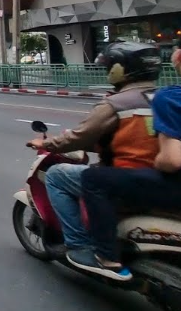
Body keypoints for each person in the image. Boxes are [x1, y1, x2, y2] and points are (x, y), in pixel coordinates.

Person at [26, 41, 161, 275]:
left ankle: (80, 245)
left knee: (57, 176)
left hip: (126, 177)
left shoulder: (117, 103)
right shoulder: (167, 98)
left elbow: (80, 136)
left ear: (121, 69)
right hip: (164, 179)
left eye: (110, 66)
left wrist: (46, 143)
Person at [77, 46, 180, 281]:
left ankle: (106, 257)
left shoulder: (168, 97)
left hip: (169, 184)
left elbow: (172, 160)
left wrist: (159, 160)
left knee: (92, 179)